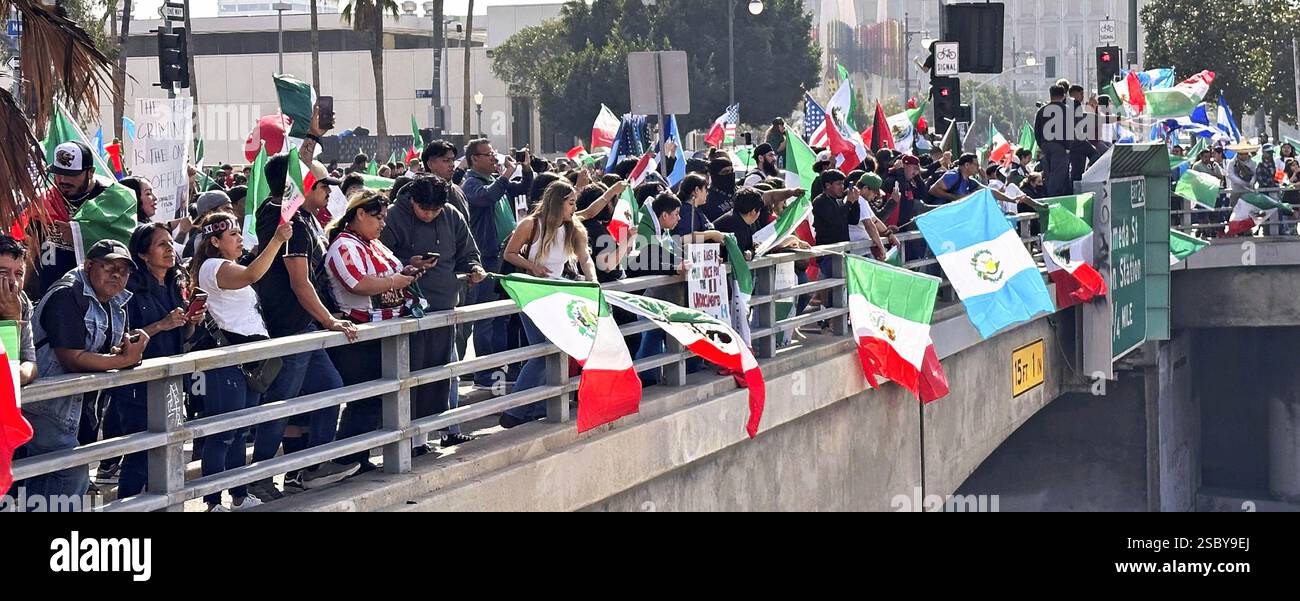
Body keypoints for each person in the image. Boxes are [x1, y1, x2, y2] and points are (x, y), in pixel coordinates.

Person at [248, 113, 361, 499]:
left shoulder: (305, 218)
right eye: (320, 183)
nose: (328, 189)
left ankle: (309, 468)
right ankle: (260, 476)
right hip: (291, 324)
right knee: (280, 404)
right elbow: (299, 282)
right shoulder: (280, 214)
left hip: (308, 325)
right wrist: (311, 134)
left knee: (329, 389)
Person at [25, 241, 149, 502]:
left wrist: (122, 353)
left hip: (77, 407)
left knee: (49, 485)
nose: (117, 274)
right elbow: (72, 358)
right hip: (46, 406)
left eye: (124, 270)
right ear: (89, 265)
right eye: (109, 266)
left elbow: (103, 351)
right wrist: (123, 360)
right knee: (69, 475)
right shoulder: (67, 294)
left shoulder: (116, 299)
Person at [189, 212, 294, 510]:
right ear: (215, 241)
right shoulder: (212, 267)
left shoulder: (227, 264)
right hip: (227, 361)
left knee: (239, 433)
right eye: (233, 235)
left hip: (247, 359)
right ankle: (212, 501)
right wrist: (275, 240)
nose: (239, 239)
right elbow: (251, 275)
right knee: (223, 435)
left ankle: (238, 495)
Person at [381, 175, 487, 449]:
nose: (429, 215)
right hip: (406, 311)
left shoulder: (451, 215)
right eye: (424, 209)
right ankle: (410, 442)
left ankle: (441, 431)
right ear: (412, 200)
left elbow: (469, 251)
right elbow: (378, 257)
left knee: (443, 374)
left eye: (435, 210)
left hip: (444, 307)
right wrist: (406, 264)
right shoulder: (393, 217)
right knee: (410, 378)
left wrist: (474, 268)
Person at [98, 224, 203, 497]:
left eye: (171, 243)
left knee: (167, 449)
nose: (170, 250)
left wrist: (190, 322)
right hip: (137, 383)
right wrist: (161, 325)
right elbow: (118, 338)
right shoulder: (128, 288)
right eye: (161, 245)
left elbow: (183, 335)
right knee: (141, 453)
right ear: (143, 254)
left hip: (170, 378)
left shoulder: (175, 283)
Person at [498, 180, 599, 428]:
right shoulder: (530, 225)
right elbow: (509, 254)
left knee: (552, 349)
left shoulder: (574, 229)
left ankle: (540, 404)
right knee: (544, 349)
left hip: (558, 294)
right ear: (557, 202)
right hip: (532, 292)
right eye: (571, 203)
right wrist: (533, 267)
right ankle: (516, 409)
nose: (574, 208)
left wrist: (593, 282)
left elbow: (585, 259)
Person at [461, 139, 534, 390]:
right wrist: (505, 175)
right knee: (485, 317)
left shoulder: (497, 182)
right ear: (473, 159)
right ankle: (484, 373)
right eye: (488, 155)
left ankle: (500, 366)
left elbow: (524, 187)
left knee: (501, 316)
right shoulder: (471, 184)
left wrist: (525, 168)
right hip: (485, 257)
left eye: (494, 154)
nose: (494, 159)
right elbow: (485, 198)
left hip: (503, 258)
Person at [30, 142, 114, 297]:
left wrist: (79, 236)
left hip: (92, 298)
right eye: (58, 173)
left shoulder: (112, 200)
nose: (62, 180)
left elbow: (122, 244)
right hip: (48, 295)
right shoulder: (45, 200)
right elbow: (31, 250)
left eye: (71, 175)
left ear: (90, 172)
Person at [0, 236, 37, 387]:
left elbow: (30, 360)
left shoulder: (22, 301)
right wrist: (11, 319)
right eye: (3, 271)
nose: (12, 281)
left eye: (18, 274)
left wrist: (24, 373)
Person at [1035, 85, 1073, 196]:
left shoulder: (1041, 111)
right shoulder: (1066, 110)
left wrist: (1042, 145)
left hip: (1046, 146)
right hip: (1060, 147)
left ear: (1050, 95)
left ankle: (1051, 197)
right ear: (1063, 95)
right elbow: (1070, 130)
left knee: (1048, 175)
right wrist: (1068, 147)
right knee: (1058, 177)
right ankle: (1053, 201)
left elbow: (1037, 131)